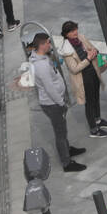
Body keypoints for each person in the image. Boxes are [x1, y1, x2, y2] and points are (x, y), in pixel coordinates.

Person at [28, 33, 87, 172]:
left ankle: (67, 149)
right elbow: (49, 88)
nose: (50, 44)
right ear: (42, 45)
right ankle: (67, 162)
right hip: (52, 104)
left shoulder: (41, 58)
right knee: (60, 133)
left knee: (62, 129)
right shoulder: (41, 65)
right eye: (48, 42)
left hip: (53, 102)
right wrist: (61, 102)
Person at [59, 21, 107, 138]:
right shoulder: (67, 49)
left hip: (93, 72)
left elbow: (92, 48)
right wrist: (88, 59)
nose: (75, 32)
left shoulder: (81, 38)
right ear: (66, 34)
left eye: (76, 29)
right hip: (83, 78)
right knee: (89, 102)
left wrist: (94, 51)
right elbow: (74, 69)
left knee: (96, 97)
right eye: (72, 31)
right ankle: (93, 129)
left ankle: (98, 120)